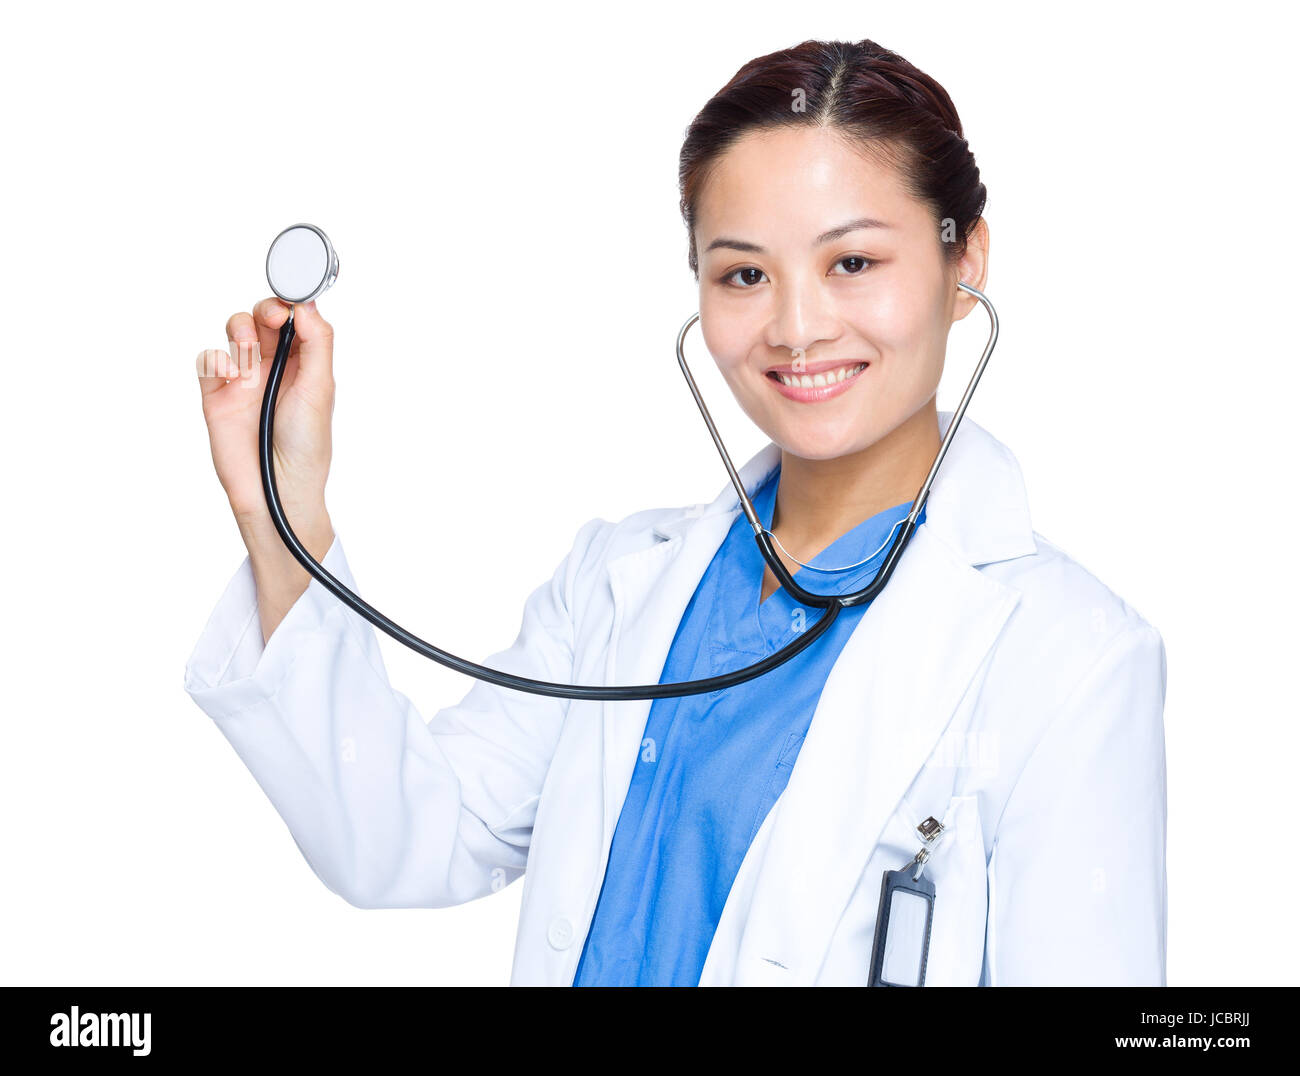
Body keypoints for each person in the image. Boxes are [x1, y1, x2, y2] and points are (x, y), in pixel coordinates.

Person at [186, 38, 1168, 986]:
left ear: (965, 262)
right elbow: (400, 839)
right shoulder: (619, 583)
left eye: (852, 263)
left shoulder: (1069, 659)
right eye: (744, 273)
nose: (794, 326)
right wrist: (282, 508)